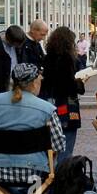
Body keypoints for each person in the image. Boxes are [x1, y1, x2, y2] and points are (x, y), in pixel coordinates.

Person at [0, 64, 64, 194]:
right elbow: (58, 146)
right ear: (34, 83)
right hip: (34, 174)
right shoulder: (46, 109)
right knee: (51, 162)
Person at [39, 26, 85, 164]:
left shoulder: (46, 59)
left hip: (49, 104)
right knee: (66, 149)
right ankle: (62, 179)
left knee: (49, 147)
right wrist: (80, 83)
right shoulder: (70, 60)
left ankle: (49, 177)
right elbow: (69, 85)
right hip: (67, 106)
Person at [0, 25, 34, 98]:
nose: (18, 47)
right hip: (0, 88)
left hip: (17, 86)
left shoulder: (19, 45)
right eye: (16, 45)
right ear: (9, 40)